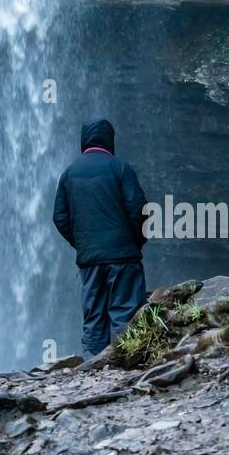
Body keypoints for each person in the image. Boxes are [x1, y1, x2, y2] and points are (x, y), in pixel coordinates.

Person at [52, 118, 148, 359]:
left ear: (84, 141)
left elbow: (59, 217)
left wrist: (81, 243)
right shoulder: (120, 168)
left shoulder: (69, 173)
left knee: (94, 316)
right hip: (123, 256)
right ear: (109, 139)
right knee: (124, 310)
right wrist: (136, 240)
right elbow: (139, 209)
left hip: (89, 260)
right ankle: (124, 361)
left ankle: (93, 366)